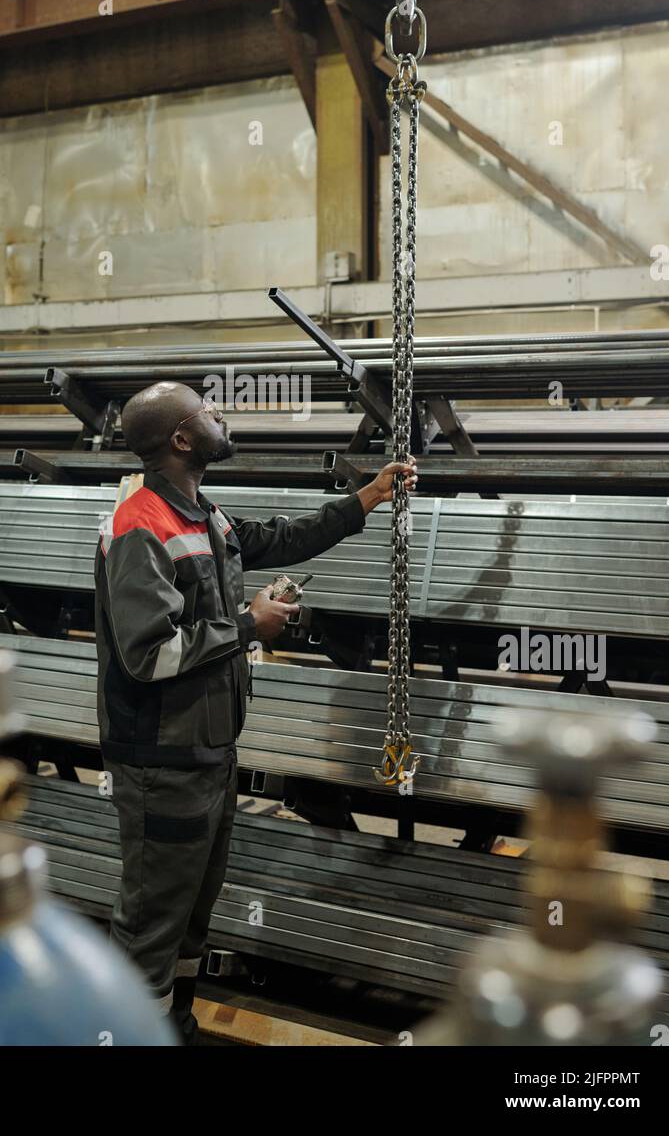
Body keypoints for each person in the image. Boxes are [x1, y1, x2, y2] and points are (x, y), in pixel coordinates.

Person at [95, 380, 417, 1043]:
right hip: (162, 761)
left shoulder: (201, 515)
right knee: (152, 925)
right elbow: (148, 655)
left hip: (208, 754)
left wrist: (368, 497)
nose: (221, 416)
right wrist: (249, 623)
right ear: (181, 439)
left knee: (190, 924)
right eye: (207, 411)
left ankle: (175, 1028)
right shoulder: (140, 527)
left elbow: (274, 538)